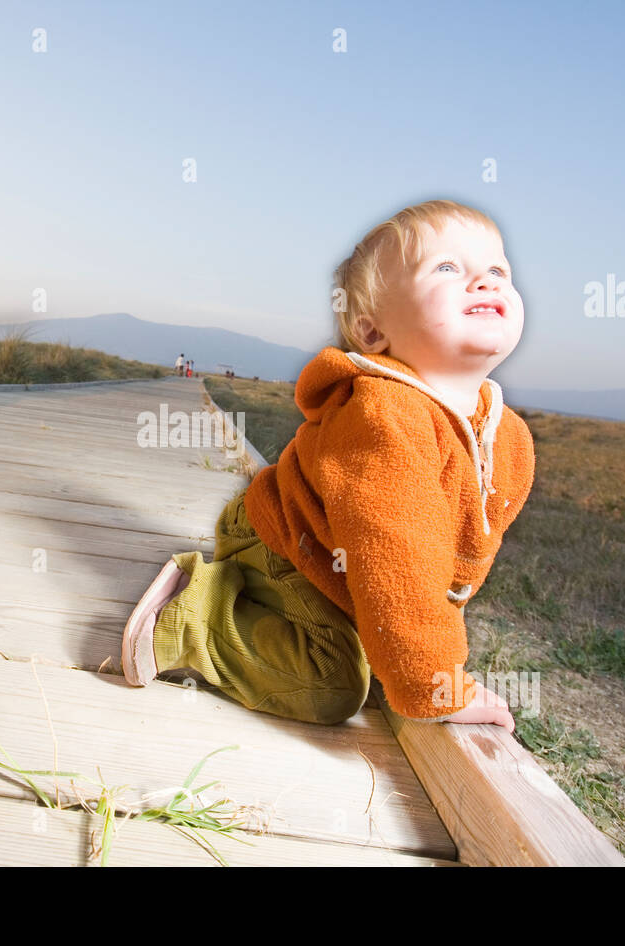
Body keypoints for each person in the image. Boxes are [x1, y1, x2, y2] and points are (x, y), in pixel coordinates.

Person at [121, 199, 533, 729]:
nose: (485, 282)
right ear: (371, 333)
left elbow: (445, 558)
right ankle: (194, 610)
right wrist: (434, 683)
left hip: (341, 563)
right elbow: (397, 548)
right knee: (331, 685)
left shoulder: (509, 437)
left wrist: (422, 656)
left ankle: (347, 635)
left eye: (498, 269)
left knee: (372, 659)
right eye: (449, 268)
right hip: (287, 545)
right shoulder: (384, 416)